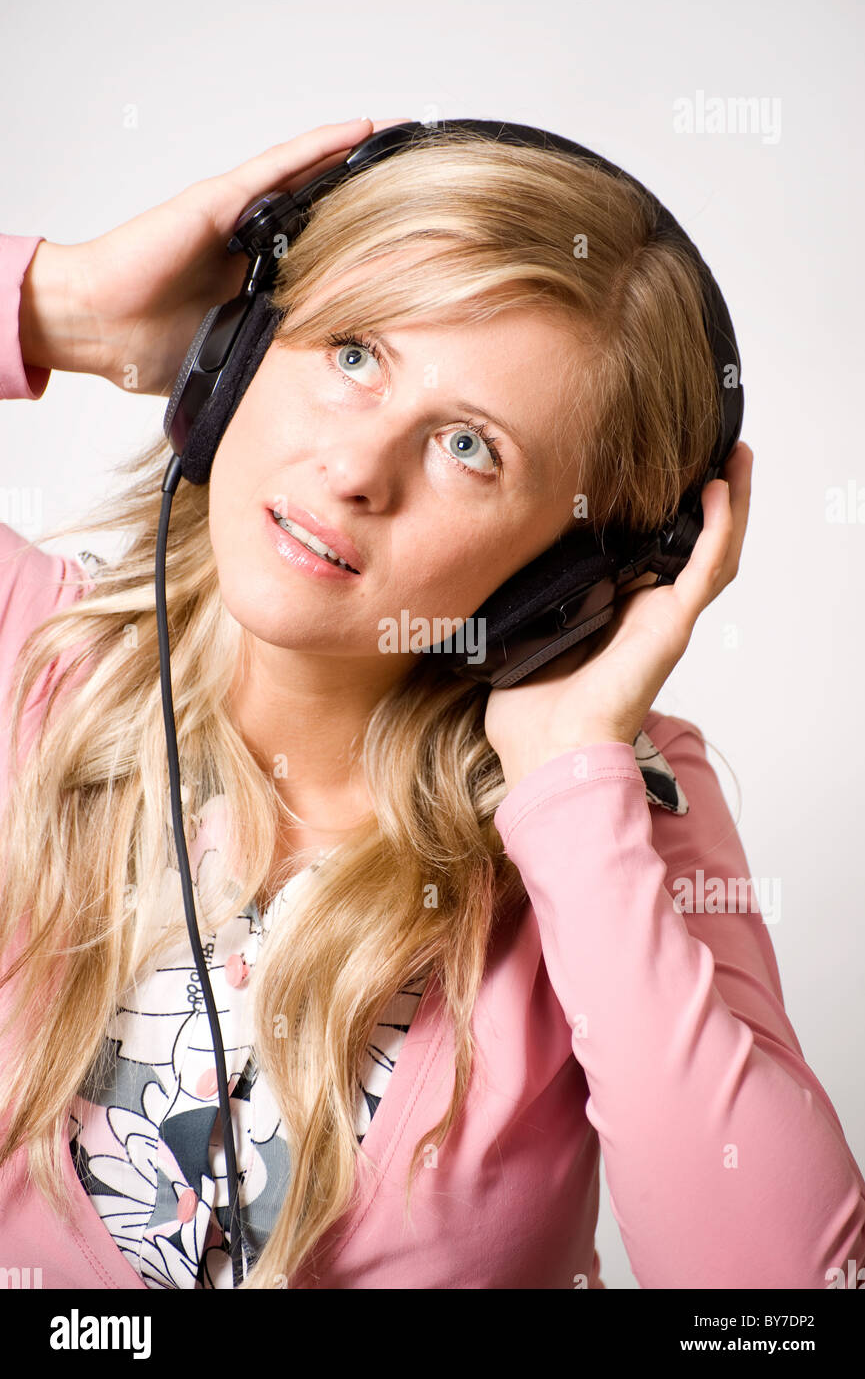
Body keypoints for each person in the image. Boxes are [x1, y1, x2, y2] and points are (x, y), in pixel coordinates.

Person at [0, 117, 863, 1291]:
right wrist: (65, 308)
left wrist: (570, 788)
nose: (356, 470)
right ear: (243, 347)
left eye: (469, 446)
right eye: (353, 353)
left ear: (565, 583)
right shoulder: (25, 647)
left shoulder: (618, 807)